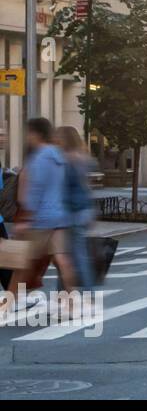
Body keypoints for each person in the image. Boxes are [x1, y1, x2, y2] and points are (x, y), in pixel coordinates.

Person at [3, 119, 78, 304]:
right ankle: (72, 302)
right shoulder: (60, 157)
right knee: (62, 261)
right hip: (60, 217)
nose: (27, 137)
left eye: (29, 133)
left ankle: (6, 304)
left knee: (22, 264)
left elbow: (34, 190)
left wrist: (25, 218)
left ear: (36, 134)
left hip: (41, 219)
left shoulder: (38, 158)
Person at [55, 126, 96, 290]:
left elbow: (63, 188)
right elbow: (87, 187)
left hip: (71, 213)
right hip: (82, 211)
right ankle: (63, 298)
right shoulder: (83, 158)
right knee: (69, 258)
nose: (56, 140)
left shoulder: (67, 159)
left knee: (72, 258)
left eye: (59, 137)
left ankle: (87, 294)